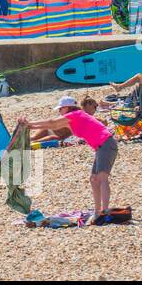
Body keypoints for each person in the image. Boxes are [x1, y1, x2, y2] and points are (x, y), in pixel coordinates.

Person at [19, 95, 117, 223]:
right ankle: (97, 211)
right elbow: (53, 126)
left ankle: (105, 211)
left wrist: (30, 124)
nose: (59, 111)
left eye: (60, 109)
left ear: (67, 107)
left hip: (106, 144)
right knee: (93, 179)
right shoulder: (75, 116)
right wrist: (31, 126)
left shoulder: (75, 114)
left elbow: (52, 122)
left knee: (102, 178)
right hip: (101, 146)